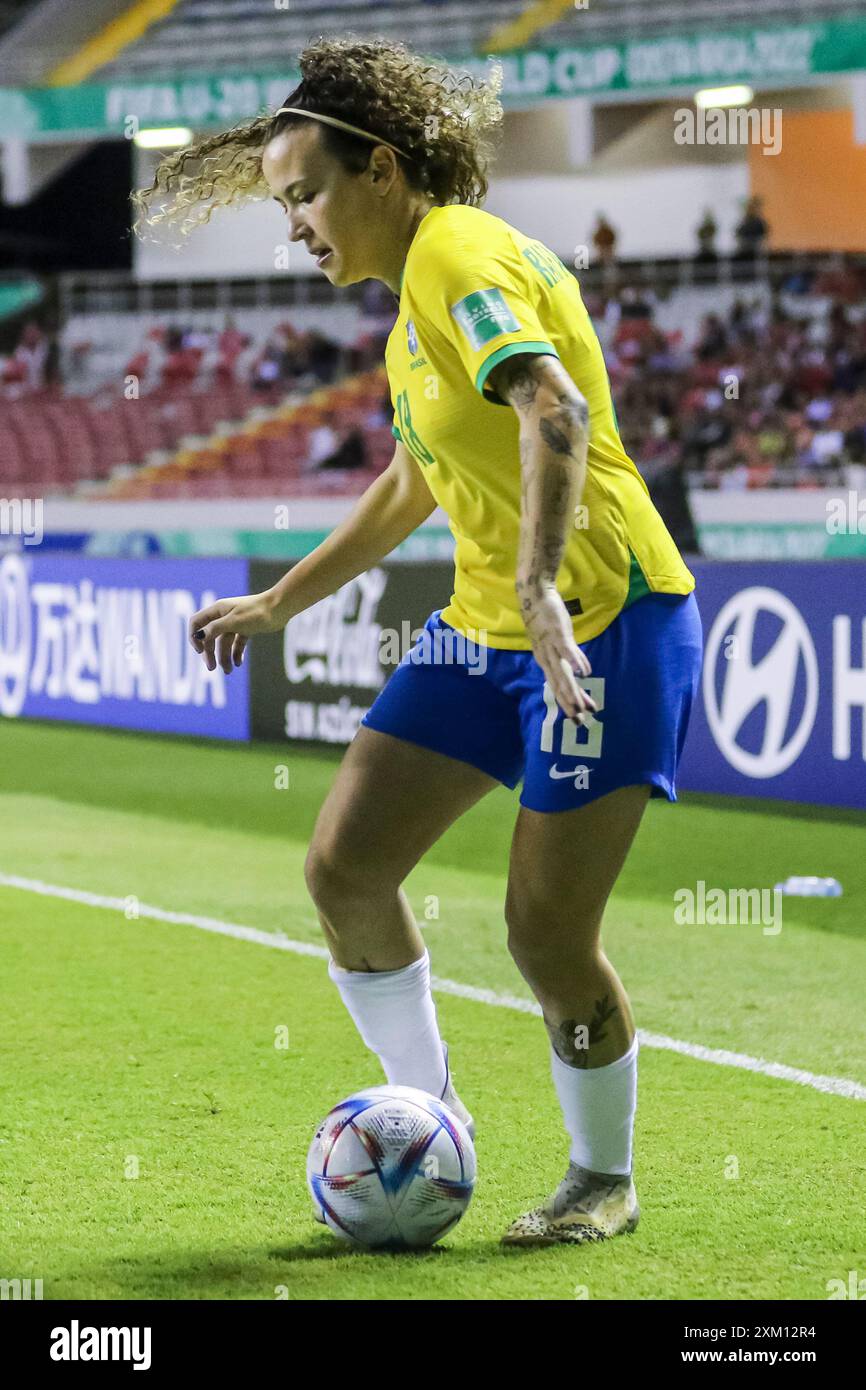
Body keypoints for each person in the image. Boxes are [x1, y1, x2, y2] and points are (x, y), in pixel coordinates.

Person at [133, 37, 702, 1247]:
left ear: (380, 168)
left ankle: (601, 1176)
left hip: (600, 625)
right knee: (344, 866)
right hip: (483, 635)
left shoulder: (455, 251)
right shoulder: (408, 313)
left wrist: (541, 588)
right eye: (283, 202)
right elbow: (408, 485)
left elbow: (554, 404)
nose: (294, 225)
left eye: (306, 194)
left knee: (545, 936)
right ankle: (432, 1121)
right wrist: (279, 601)